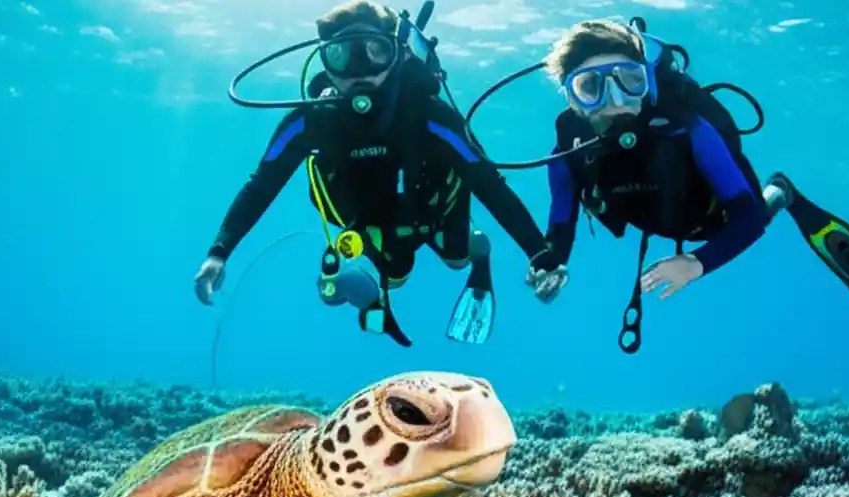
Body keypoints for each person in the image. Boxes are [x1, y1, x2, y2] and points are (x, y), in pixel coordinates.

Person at [193, 0, 568, 347]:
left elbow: (488, 183)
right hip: (372, 222)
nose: (359, 73)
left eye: (374, 52)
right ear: (324, 62)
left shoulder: (431, 116)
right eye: (340, 55)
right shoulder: (310, 122)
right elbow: (263, 183)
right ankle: (379, 282)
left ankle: (477, 247)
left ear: (396, 56)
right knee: (397, 277)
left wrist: (539, 253)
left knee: (457, 259)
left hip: (437, 208)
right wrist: (218, 252)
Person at [529, 18, 849, 352]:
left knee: (761, 212)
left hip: (714, 221)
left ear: (648, 83)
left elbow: (748, 219)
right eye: (590, 87)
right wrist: (551, 264)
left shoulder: (687, 128)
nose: (616, 101)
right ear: (572, 99)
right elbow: (560, 225)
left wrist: (697, 263)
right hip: (655, 214)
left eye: (629, 80)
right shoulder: (568, 150)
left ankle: (779, 192)